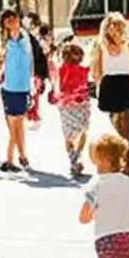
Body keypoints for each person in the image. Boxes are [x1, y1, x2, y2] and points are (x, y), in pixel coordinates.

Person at [92, 13, 129, 179]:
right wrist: (99, 90)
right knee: (117, 126)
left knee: (124, 130)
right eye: (111, 28)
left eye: (117, 28)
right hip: (109, 87)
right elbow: (98, 72)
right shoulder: (101, 47)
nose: (114, 32)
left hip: (126, 86)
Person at [0, 9, 34, 172]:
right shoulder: (6, 40)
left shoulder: (22, 36)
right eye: (7, 20)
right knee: (15, 126)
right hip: (8, 87)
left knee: (16, 125)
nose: (11, 21)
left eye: (13, 18)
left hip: (20, 87)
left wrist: (16, 28)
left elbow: (20, 40)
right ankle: (21, 156)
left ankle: (10, 159)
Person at [54, 43, 92, 178]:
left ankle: (73, 158)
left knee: (68, 134)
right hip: (81, 103)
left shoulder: (61, 69)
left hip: (65, 103)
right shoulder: (83, 70)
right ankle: (77, 156)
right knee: (83, 130)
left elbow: (61, 86)